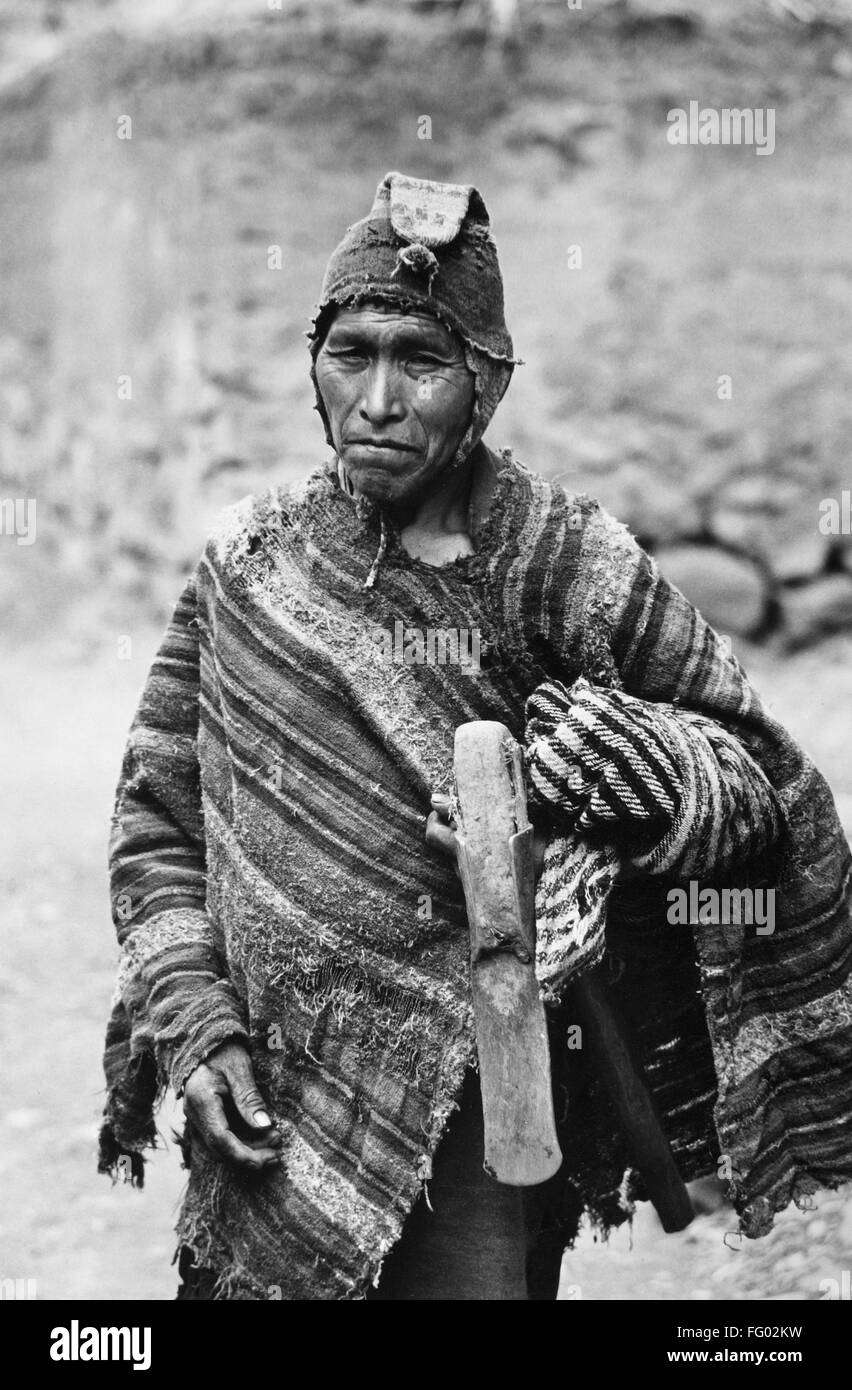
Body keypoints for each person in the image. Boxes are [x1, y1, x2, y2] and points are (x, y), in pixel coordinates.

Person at [99, 171, 852, 1300]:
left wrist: (592, 796)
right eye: (351, 353)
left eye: (425, 360)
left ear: (488, 384)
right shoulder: (249, 569)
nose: (381, 400)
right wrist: (197, 1027)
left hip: (486, 1115)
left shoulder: (567, 567)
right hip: (265, 1106)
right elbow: (156, 818)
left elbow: (761, 790)